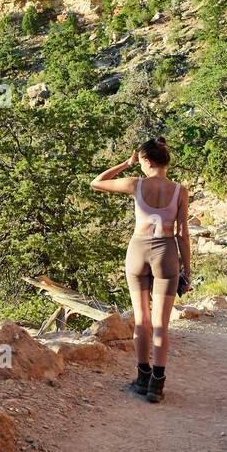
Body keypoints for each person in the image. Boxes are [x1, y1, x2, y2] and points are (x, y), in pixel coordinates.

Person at [90, 138, 190, 403]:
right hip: (166, 254)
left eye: (141, 162)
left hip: (137, 251)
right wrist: (187, 269)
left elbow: (97, 182)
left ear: (146, 161)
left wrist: (126, 163)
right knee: (160, 323)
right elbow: (183, 234)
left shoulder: (136, 183)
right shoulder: (180, 191)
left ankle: (142, 376)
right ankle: (157, 384)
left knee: (141, 319)